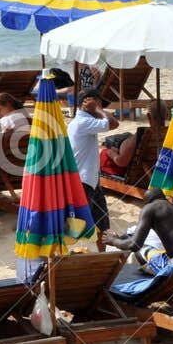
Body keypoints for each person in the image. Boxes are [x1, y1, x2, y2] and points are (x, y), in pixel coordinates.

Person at [105, 188, 173, 271]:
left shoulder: (150, 208)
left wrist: (113, 241)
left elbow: (134, 245)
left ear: (147, 202)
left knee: (141, 250)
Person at [69, 91, 119, 248]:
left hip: (91, 180)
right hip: (83, 180)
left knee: (102, 222)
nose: (101, 107)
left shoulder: (85, 121)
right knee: (76, 225)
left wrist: (96, 109)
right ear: (87, 103)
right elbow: (113, 123)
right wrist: (99, 109)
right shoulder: (83, 122)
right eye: (99, 103)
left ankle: (102, 254)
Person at [100, 99, 168, 178]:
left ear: (148, 116)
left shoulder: (144, 135)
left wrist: (109, 152)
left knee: (104, 153)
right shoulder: (172, 132)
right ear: (167, 115)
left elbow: (121, 162)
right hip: (163, 172)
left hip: (143, 175)